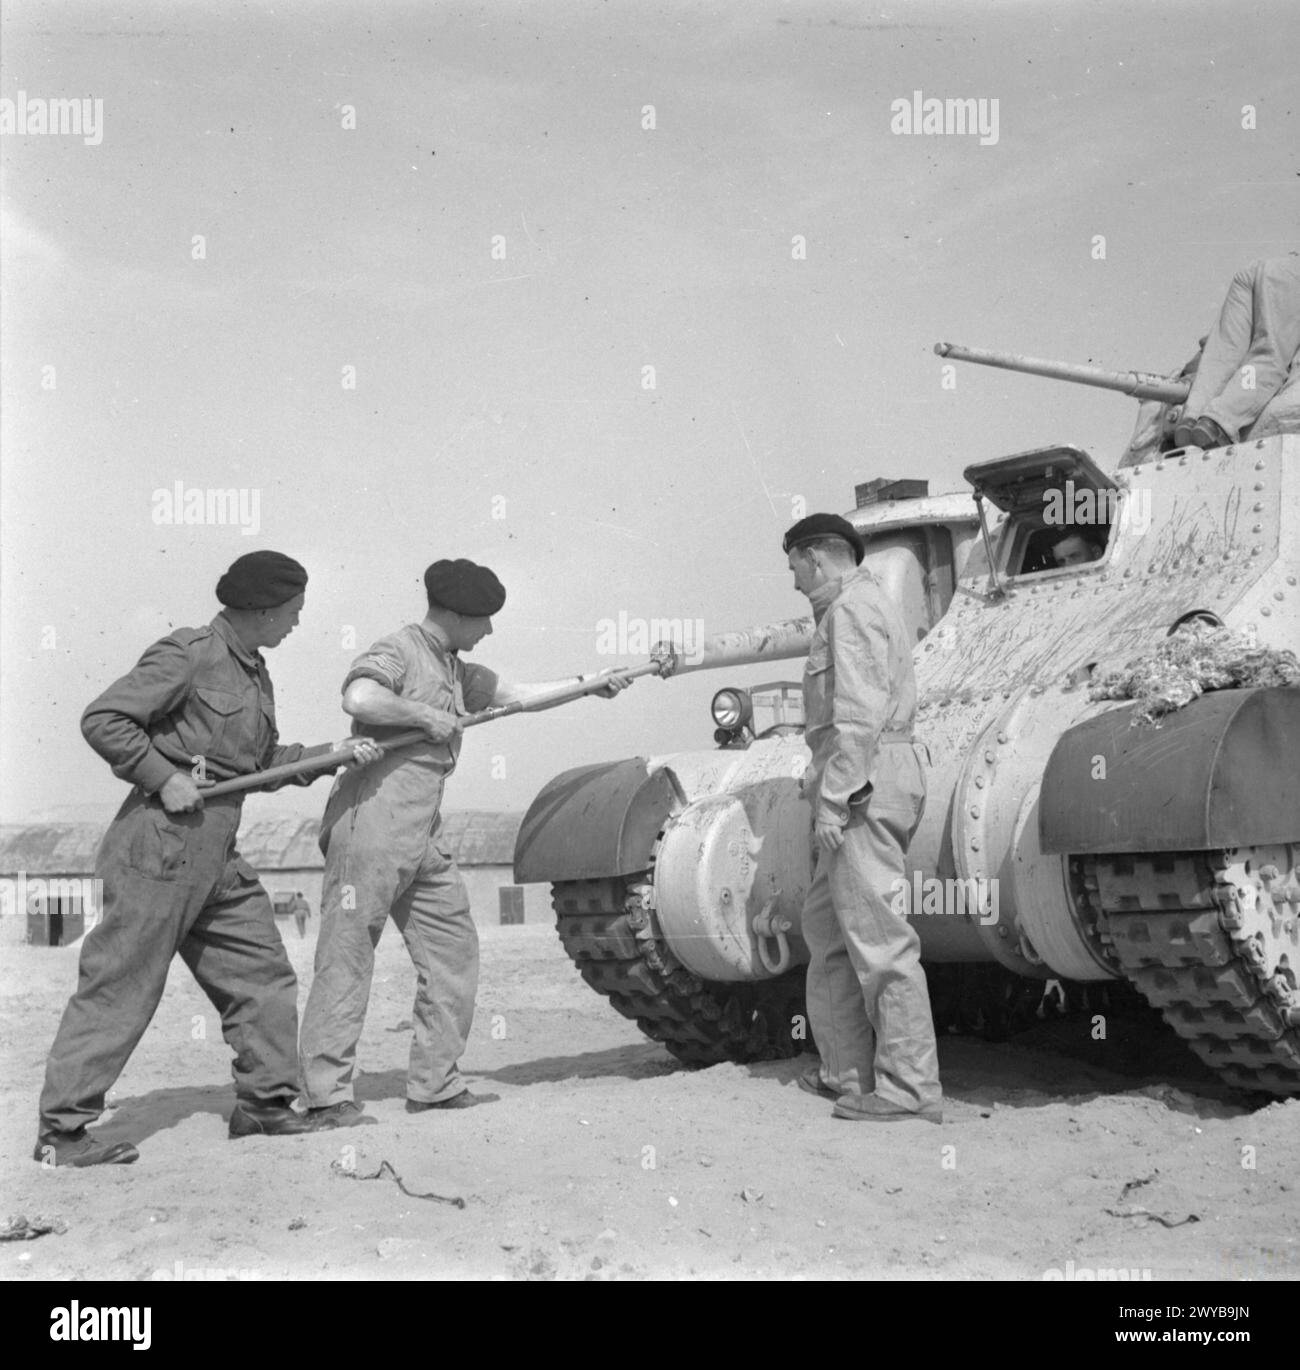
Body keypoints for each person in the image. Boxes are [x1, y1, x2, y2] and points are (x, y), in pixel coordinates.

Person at [34, 551, 382, 1168]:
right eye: (293, 612)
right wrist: (162, 776)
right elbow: (104, 718)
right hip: (157, 845)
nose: (296, 623)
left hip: (218, 852)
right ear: (263, 610)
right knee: (122, 986)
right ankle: (61, 1135)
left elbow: (261, 764)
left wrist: (335, 753)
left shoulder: (254, 673)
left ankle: (264, 1104)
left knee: (262, 974)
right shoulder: (188, 654)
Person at [298, 558, 631, 1126]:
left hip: (422, 834)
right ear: (453, 614)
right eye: (482, 620)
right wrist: (423, 715)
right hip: (371, 825)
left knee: (453, 952)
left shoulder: (458, 670)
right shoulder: (400, 649)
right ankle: (326, 1096)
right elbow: (359, 698)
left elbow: (521, 694)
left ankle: (435, 1084)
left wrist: (590, 685)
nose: (489, 630)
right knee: (347, 959)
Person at [783, 514, 942, 1124]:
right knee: (826, 930)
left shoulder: (851, 610)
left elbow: (857, 716)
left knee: (879, 940)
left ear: (814, 558)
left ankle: (908, 1089)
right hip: (867, 776)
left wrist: (833, 800)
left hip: (864, 783)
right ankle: (845, 1072)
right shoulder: (860, 605)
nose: (795, 582)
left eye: (795, 568)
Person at [1174, 254, 1300, 449]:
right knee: (1268, 358)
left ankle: (1192, 417)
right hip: (1291, 276)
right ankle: (1218, 421)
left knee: (1221, 355)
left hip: (1262, 270)